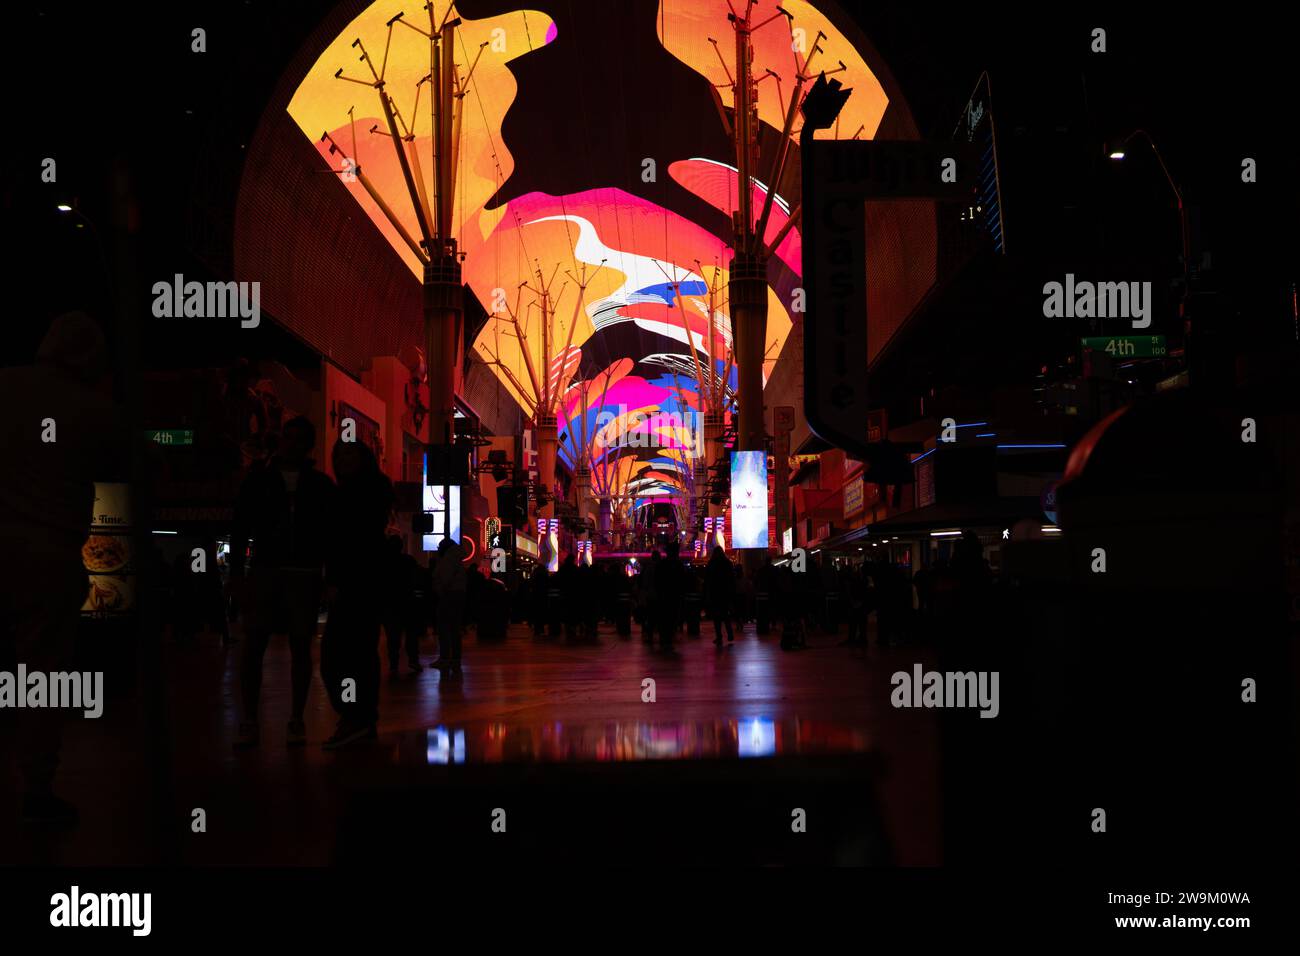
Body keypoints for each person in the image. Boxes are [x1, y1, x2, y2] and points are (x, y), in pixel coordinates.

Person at [0, 312, 128, 823]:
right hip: (48, 557)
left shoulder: (6, 384)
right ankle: (35, 786)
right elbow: (127, 464)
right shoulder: (93, 409)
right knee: (39, 676)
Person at [229, 415, 336, 749]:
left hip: (288, 571)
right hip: (279, 571)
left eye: (297, 438)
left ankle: (281, 719)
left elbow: (330, 538)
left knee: (292, 646)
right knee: (262, 645)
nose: (291, 444)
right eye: (288, 437)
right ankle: (266, 719)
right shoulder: (299, 482)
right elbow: (240, 528)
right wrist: (237, 575)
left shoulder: (276, 480)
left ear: (307, 444)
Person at [320, 439, 392, 749]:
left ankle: (355, 715)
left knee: (345, 654)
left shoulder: (358, 494)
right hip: (362, 583)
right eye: (340, 455)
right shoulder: (367, 491)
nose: (343, 460)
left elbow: (347, 541)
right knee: (353, 653)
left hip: (358, 584)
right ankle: (359, 716)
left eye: (350, 454)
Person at [381, 535, 423, 677]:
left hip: (390, 604)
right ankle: (413, 660)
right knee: (411, 634)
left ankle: (394, 665)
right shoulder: (409, 560)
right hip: (407, 602)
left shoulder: (384, 563)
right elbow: (415, 580)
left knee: (393, 637)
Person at [432, 538, 467, 674]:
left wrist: (440, 589)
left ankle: (445, 658)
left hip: (449, 595)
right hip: (457, 595)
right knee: (454, 629)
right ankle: (455, 658)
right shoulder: (457, 559)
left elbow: (445, 579)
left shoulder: (447, 560)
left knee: (444, 627)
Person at [653, 541, 685, 652]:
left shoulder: (661, 565)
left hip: (664, 596)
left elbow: (656, 581)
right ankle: (668, 639)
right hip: (673, 596)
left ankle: (665, 639)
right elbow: (682, 582)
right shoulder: (679, 565)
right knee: (672, 618)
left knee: (664, 618)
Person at [704, 546, 736, 646]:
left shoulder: (711, 564)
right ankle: (730, 634)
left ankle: (719, 636)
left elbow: (707, 580)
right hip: (725, 592)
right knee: (726, 615)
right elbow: (731, 579)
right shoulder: (727, 563)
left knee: (717, 617)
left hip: (715, 593)